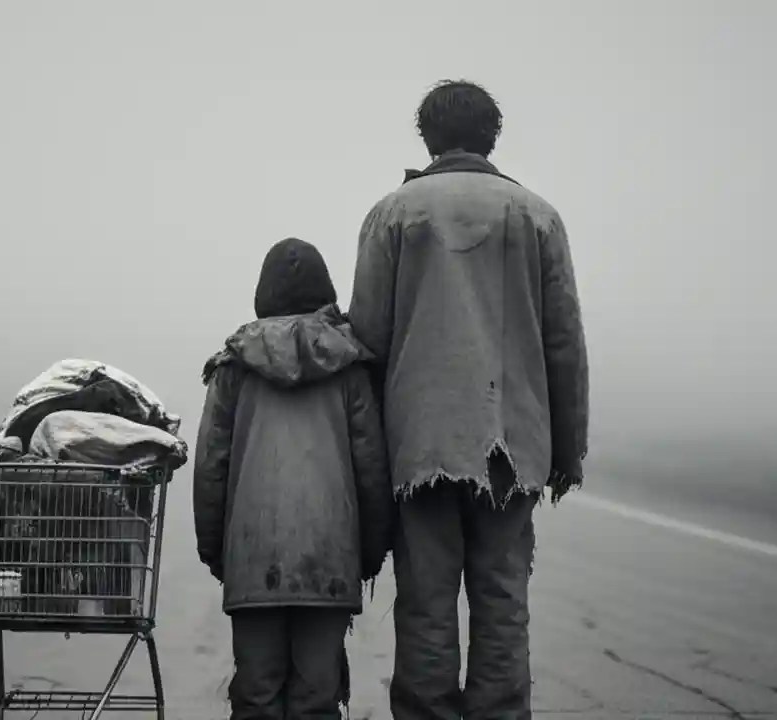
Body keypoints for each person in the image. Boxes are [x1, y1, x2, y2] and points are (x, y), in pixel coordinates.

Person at [349, 80, 590, 719]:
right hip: (512, 447)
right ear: (493, 136)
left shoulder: (393, 214)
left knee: (426, 604)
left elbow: (367, 343)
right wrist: (566, 450)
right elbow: (563, 342)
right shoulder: (537, 215)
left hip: (420, 446)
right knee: (503, 599)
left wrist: (369, 458)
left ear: (427, 138)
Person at [194, 237, 395, 720]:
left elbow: (210, 469)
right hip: (330, 560)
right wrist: (367, 554)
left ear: (262, 297)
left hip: (252, 555)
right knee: (316, 698)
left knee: (257, 694)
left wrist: (217, 551)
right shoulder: (349, 368)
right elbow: (371, 471)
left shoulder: (233, 368)